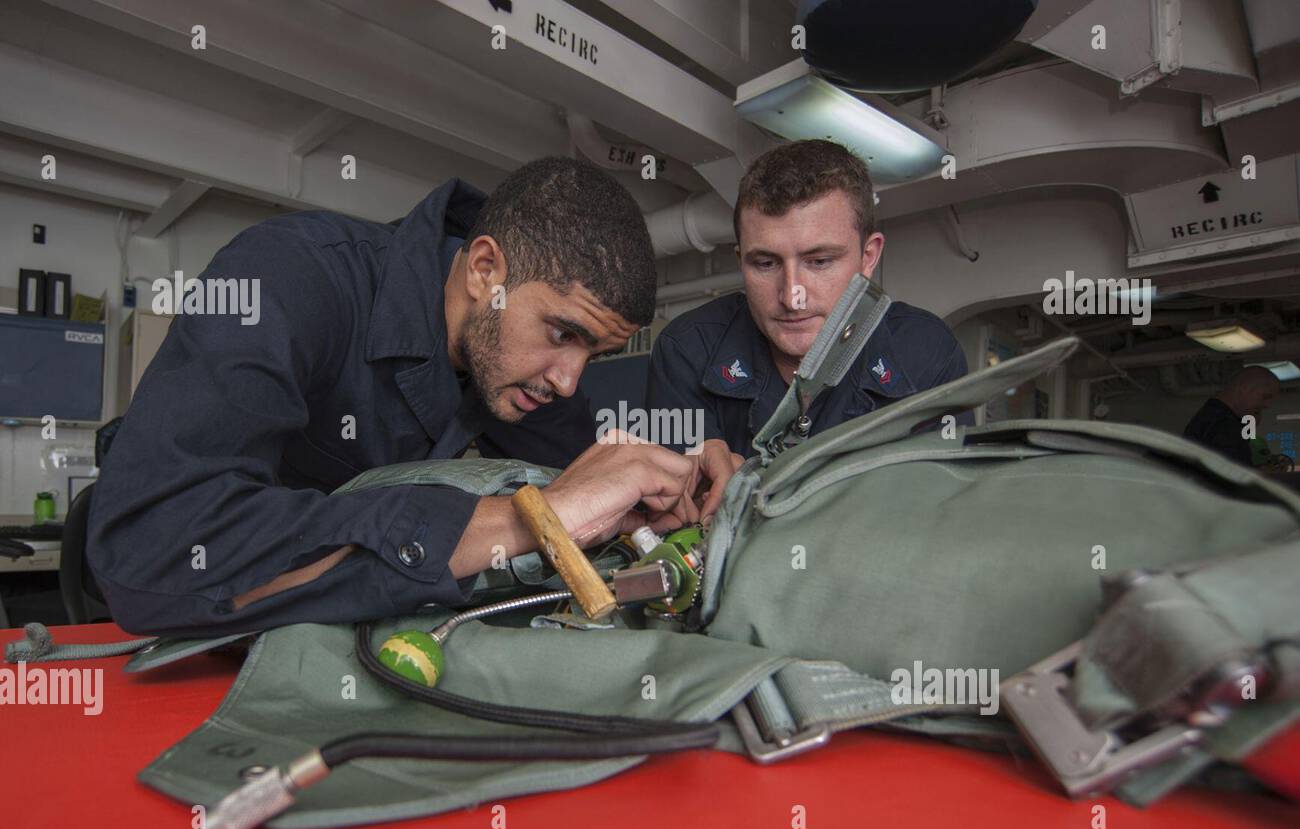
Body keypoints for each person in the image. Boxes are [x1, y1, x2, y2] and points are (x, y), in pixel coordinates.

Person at [88, 158, 710, 637]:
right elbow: (156, 551)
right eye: (563, 334)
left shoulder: (524, 368)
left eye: (593, 355)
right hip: (165, 621)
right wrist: (530, 519)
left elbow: (596, 480)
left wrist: (678, 487)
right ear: (485, 271)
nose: (569, 381)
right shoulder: (286, 276)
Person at [645, 140, 969, 517]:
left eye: (819, 261)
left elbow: (945, 518)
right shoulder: (687, 350)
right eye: (765, 264)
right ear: (740, 262)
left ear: (868, 257)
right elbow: (671, 524)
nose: (791, 296)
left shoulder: (927, 355)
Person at [1183, 365, 1285, 469]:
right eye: (1265, 397)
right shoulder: (1226, 426)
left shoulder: (1211, 418)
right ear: (1244, 388)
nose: (1266, 405)